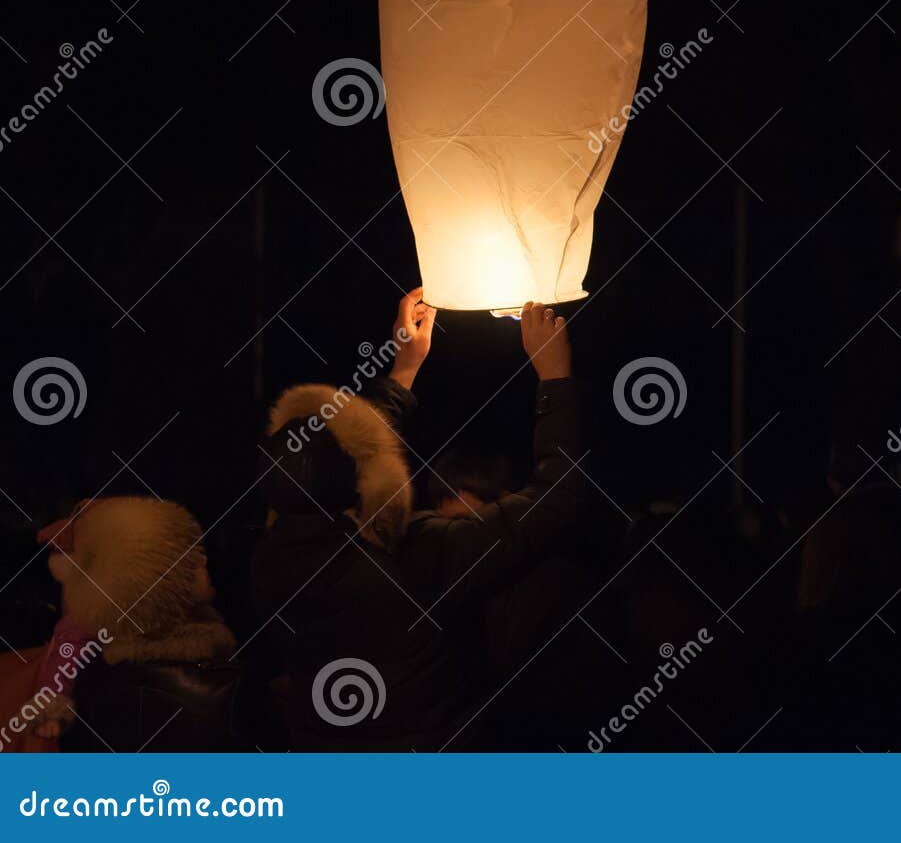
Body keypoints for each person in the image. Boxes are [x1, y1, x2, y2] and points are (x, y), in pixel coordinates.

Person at [250, 291, 587, 750]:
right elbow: (557, 498)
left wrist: (404, 368)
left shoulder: (270, 562)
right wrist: (555, 376)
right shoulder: (415, 555)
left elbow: (348, 460)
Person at [0, 497, 238, 752]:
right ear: (152, 583)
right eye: (187, 562)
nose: (204, 563)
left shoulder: (126, 668)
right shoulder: (160, 689)